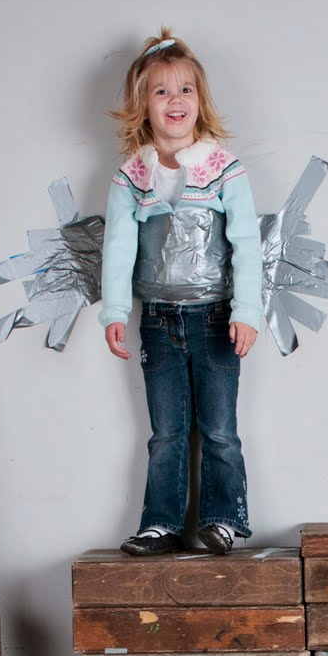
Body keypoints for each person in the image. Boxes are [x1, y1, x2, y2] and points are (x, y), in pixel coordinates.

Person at [99, 29, 260, 557]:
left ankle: (223, 519)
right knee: (166, 434)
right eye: (162, 91)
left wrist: (248, 311)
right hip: (160, 320)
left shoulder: (223, 167)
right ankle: (161, 523)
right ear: (143, 105)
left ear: (201, 100)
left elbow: (246, 244)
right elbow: (119, 248)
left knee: (219, 432)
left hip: (216, 318)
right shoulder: (131, 174)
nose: (175, 101)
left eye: (185, 90)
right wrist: (115, 311)